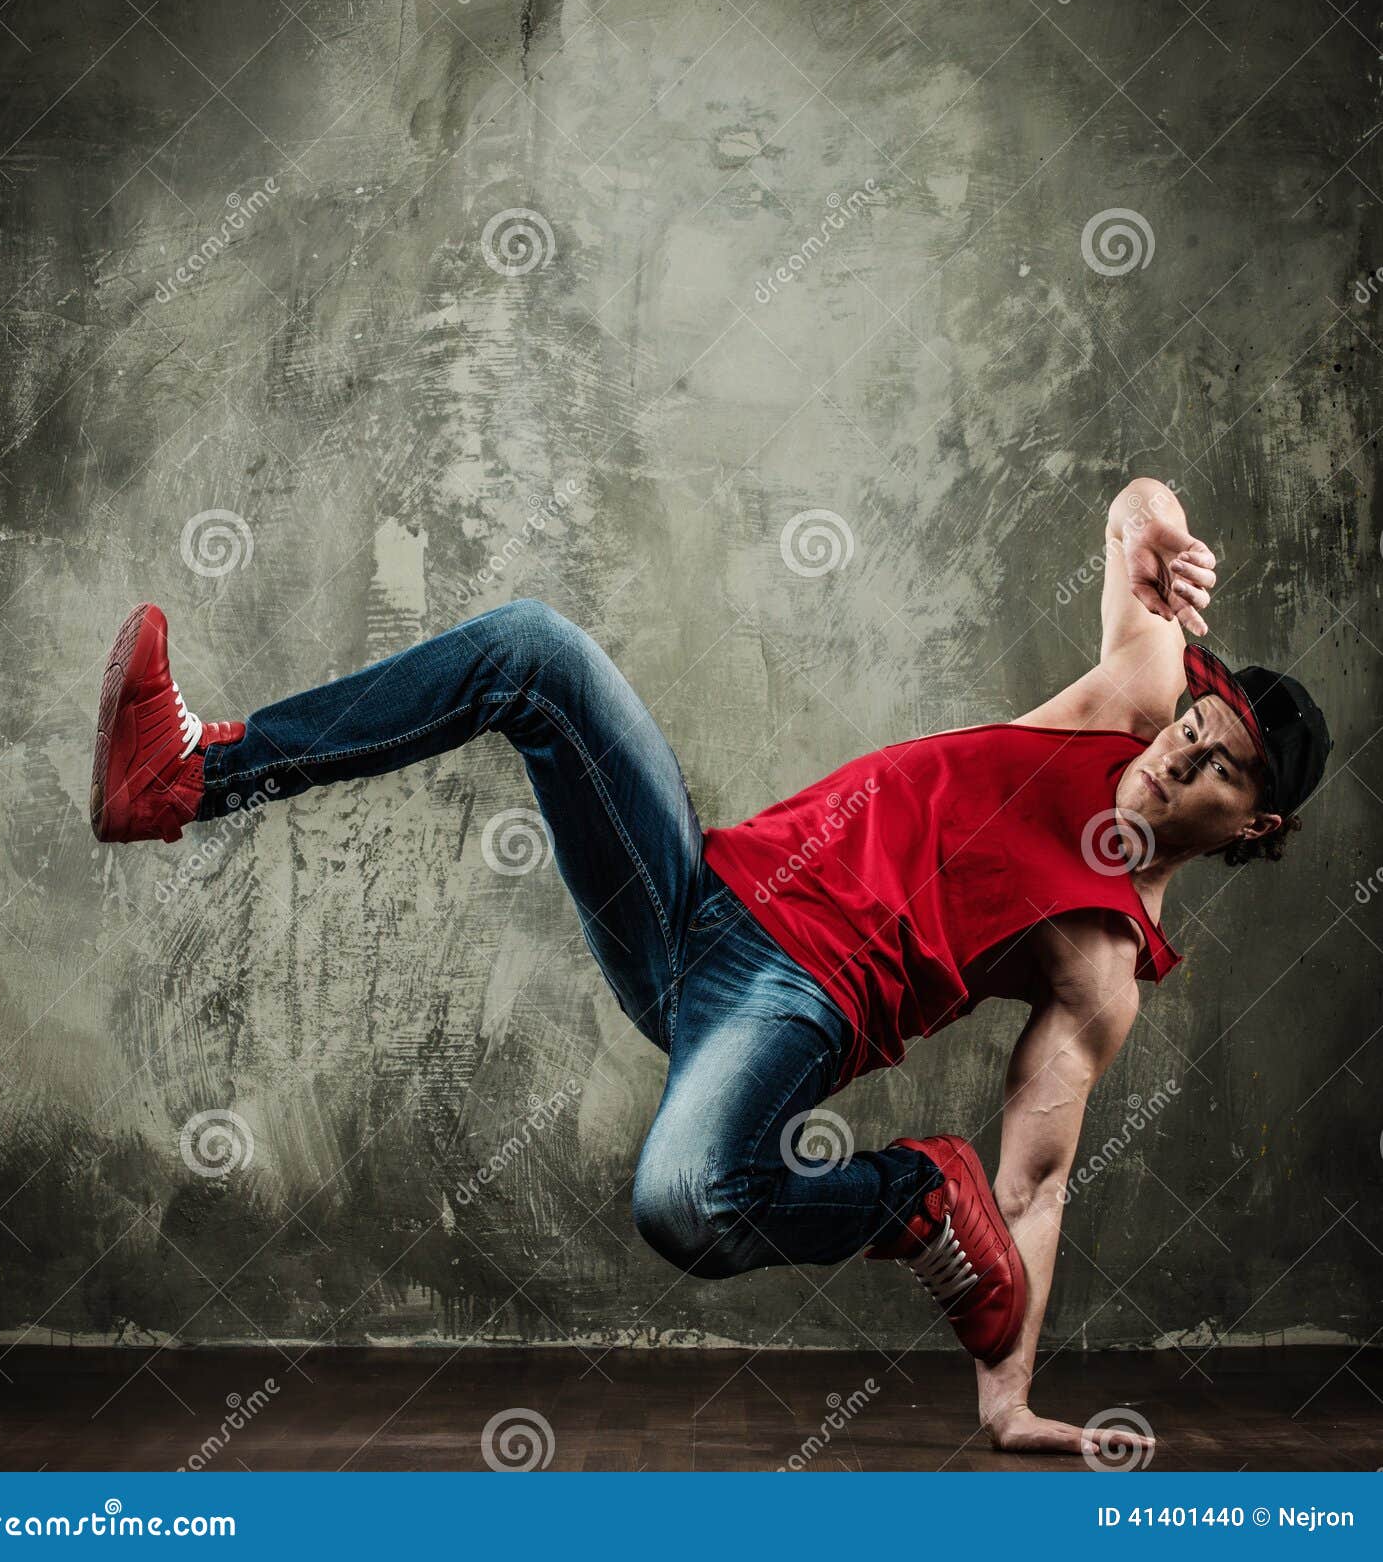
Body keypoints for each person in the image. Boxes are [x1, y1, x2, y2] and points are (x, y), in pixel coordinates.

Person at [88, 476, 1331, 1457]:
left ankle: (904, 1194)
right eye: (1192, 730)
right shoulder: (1137, 687)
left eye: (1216, 768)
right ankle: (188, 774)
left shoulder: (1103, 962)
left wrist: (1005, 1400)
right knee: (532, 650)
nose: (1176, 757)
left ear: (1255, 825)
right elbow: (1131, 514)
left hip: (793, 998)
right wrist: (1164, 528)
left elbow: (1038, 1188)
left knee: (685, 1200)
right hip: (693, 893)